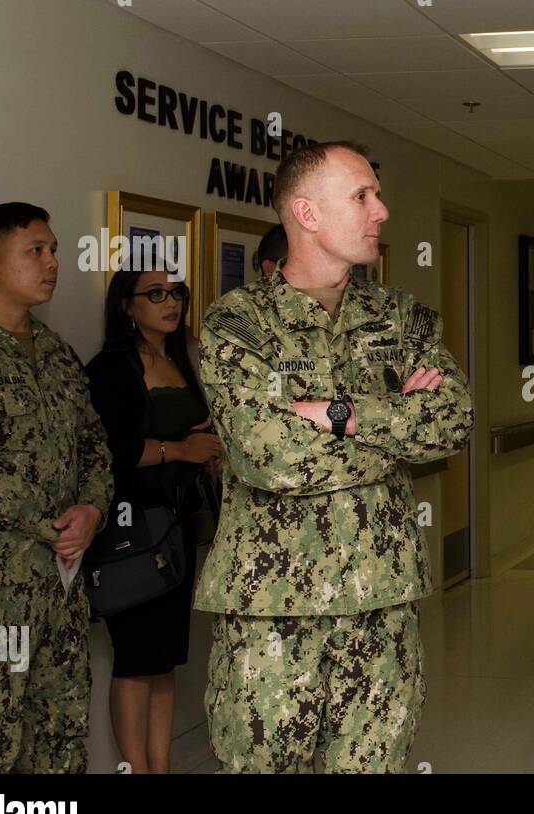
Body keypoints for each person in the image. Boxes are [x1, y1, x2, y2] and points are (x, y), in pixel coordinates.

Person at [198, 140, 474, 773]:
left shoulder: (402, 317)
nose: (381, 210)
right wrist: (393, 424)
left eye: (376, 194)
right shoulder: (239, 323)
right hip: (271, 609)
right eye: (362, 196)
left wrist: (337, 413)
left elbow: (451, 423)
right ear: (307, 213)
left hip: (381, 602)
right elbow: (264, 455)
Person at [0, 202, 114, 773]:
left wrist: (94, 511)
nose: (53, 262)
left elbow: (95, 445)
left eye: (54, 250)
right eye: (36, 250)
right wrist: (56, 524)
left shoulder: (57, 354)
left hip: (59, 586)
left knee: (58, 738)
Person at [85, 265, 222, 773]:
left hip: (177, 528)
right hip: (131, 534)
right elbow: (110, 452)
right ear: (127, 306)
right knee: (136, 660)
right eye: (155, 294)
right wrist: (178, 449)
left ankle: (159, 768)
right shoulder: (112, 367)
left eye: (177, 293)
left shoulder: (180, 359)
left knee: (165, 660)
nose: (170, 303)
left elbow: (189, 436)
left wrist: (204, 449)